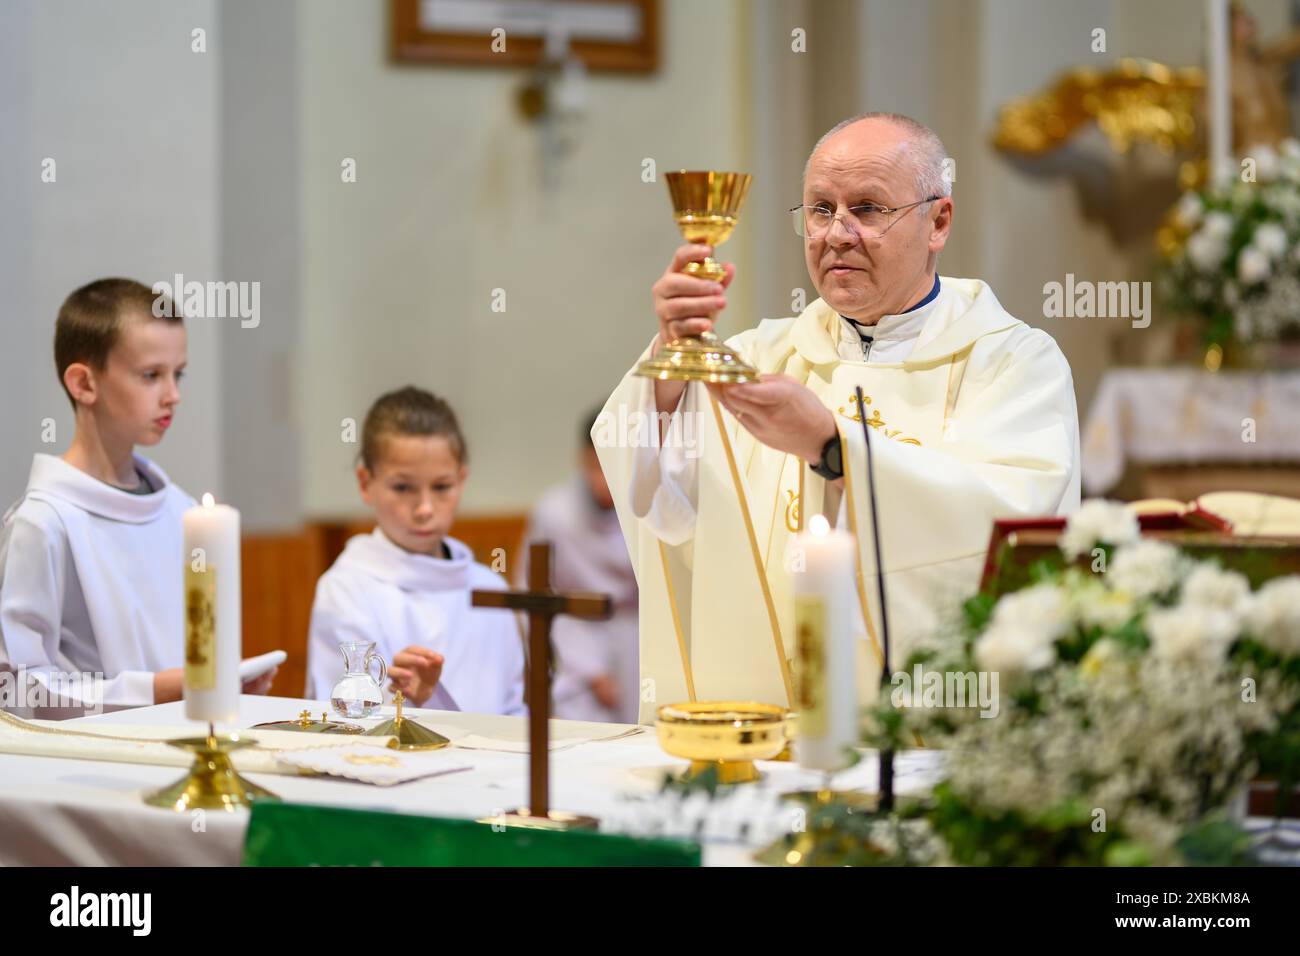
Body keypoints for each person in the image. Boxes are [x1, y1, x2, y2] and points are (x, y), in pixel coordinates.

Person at [596, 112, 1081, 722]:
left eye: (869, 209)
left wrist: (833, 446)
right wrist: (673, 354)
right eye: (820, 210)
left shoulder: (1011, 361)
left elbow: (1010, 524)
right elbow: (664, 505)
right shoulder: (758, 358)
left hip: (930, 742)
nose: (837, 234)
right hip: (766, 735)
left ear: (939, 221)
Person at [0, 278, 275, 715]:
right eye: (151, 375)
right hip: (90, 766)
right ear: (83, 384)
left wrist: (218, 686)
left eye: (177, 373)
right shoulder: (45, 521)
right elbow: (19, 687)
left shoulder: (182, 510)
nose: (173, 395)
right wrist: (157, 690)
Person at [305, 386, 525, 715]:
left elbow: (513, 715)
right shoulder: (347, 589)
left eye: (441, 487)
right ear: (366, 483)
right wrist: (403, 695)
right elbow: (338, 719)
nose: (424, 508)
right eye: (403, 487)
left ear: (461, 480)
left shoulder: (490, 590)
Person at [518, 409, 638, 723]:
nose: (611, 476)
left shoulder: (652, 508)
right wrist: (590, 668)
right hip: (575, 633)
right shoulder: (554, 512)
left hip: (638, 635)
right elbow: (534, 597)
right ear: (586, 458)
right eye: (602, 464)